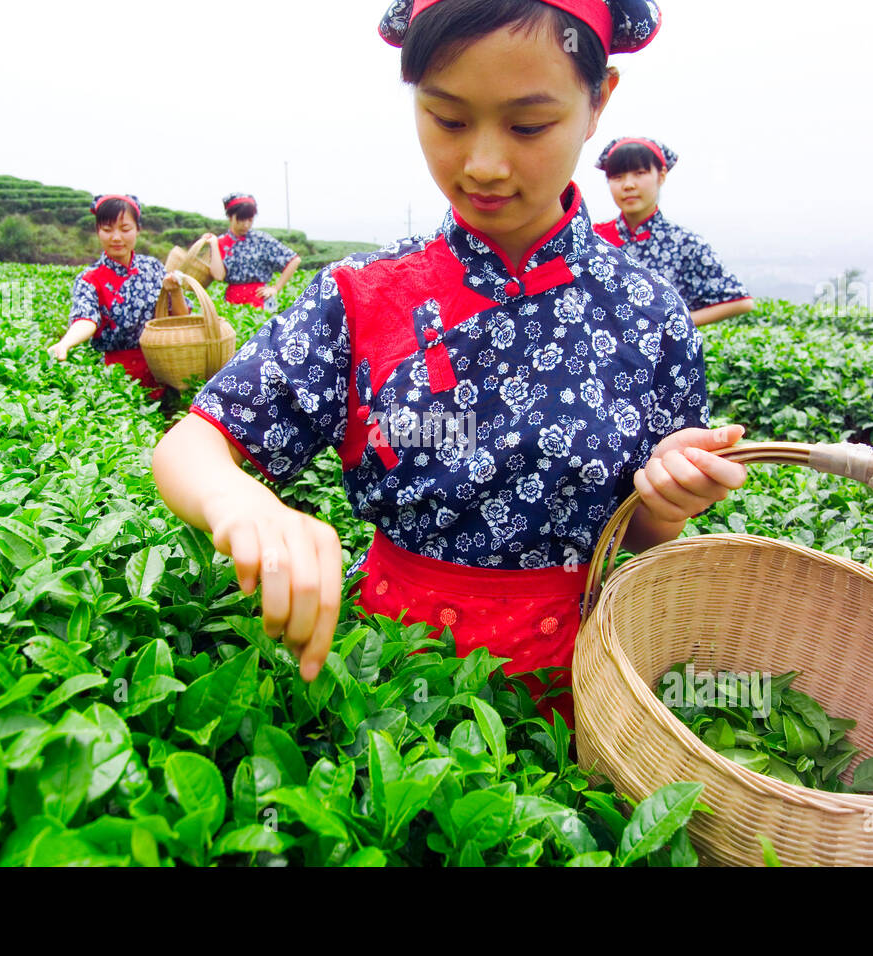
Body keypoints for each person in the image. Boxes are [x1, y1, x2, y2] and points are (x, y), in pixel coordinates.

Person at [153, 0, 748, 728]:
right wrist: (240, 503)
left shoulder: (651, 314)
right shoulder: (363, 296)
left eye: (529, 125)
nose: (484, 165)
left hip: (585, 695)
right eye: (448, 119)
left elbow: (647, 535)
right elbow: (193, 444)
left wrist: (668, 496)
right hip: (390, 684)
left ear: (599, 103)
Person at [594, 137, 755, 327]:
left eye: (639, 173)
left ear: (661, 176)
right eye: (617, 177)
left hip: (665, 355)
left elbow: (741, 302)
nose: (628, 185)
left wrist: (672, 326)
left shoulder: (684, 243)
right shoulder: (593, 239)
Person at [47, 194, 189, 404]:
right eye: (107, 229)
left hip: (165, 370)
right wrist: (66, 343)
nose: (116, 237)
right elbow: (86, 319)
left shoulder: (152, 268)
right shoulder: (90, 278)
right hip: (118, 376)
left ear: (138, 230)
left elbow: (181, 318)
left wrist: (175, 291)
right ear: (97, 231)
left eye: (125, 229)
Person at [207, 193, 303, 310]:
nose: (246, 225)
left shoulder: (261, 239)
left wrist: (275, 288)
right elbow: (218, 275)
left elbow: (294, 260)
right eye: (241, 220)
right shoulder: (220, 242)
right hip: (232, 303)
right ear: (230, 217)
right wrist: (214, 244)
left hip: (260, 300)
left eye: (250, 220)